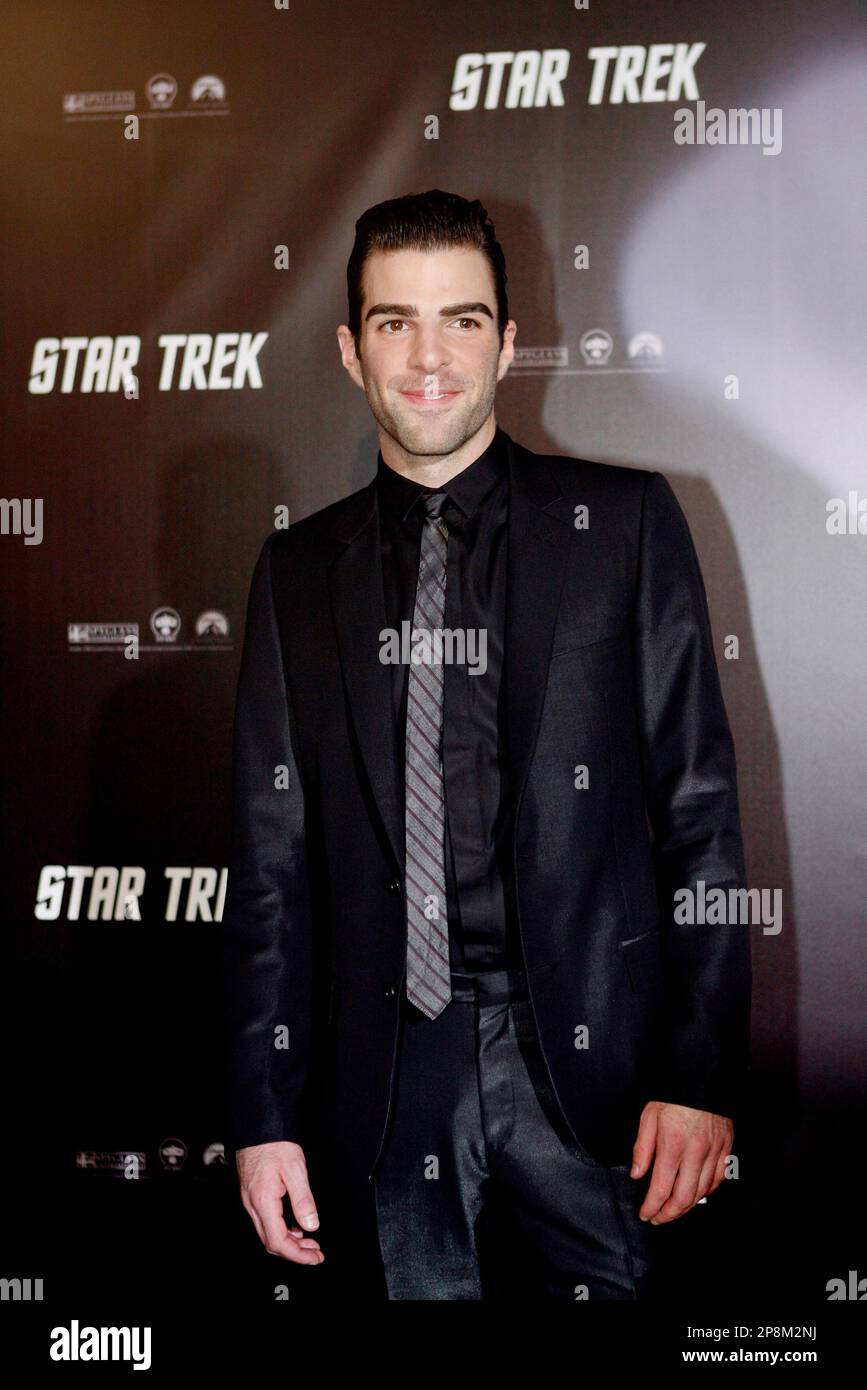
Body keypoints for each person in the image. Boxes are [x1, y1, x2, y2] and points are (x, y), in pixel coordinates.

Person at [222, 188, 751, 1300]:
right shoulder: (296, 575)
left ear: (508, 343)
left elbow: (697, 809)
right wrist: (262, 1118)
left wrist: (699, 1073)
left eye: (461, 319)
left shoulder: (625, 525)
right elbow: (270, 868)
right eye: (392, 321)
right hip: (386, 1082)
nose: (428, 356)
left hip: (596, 1085)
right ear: (349, 349)